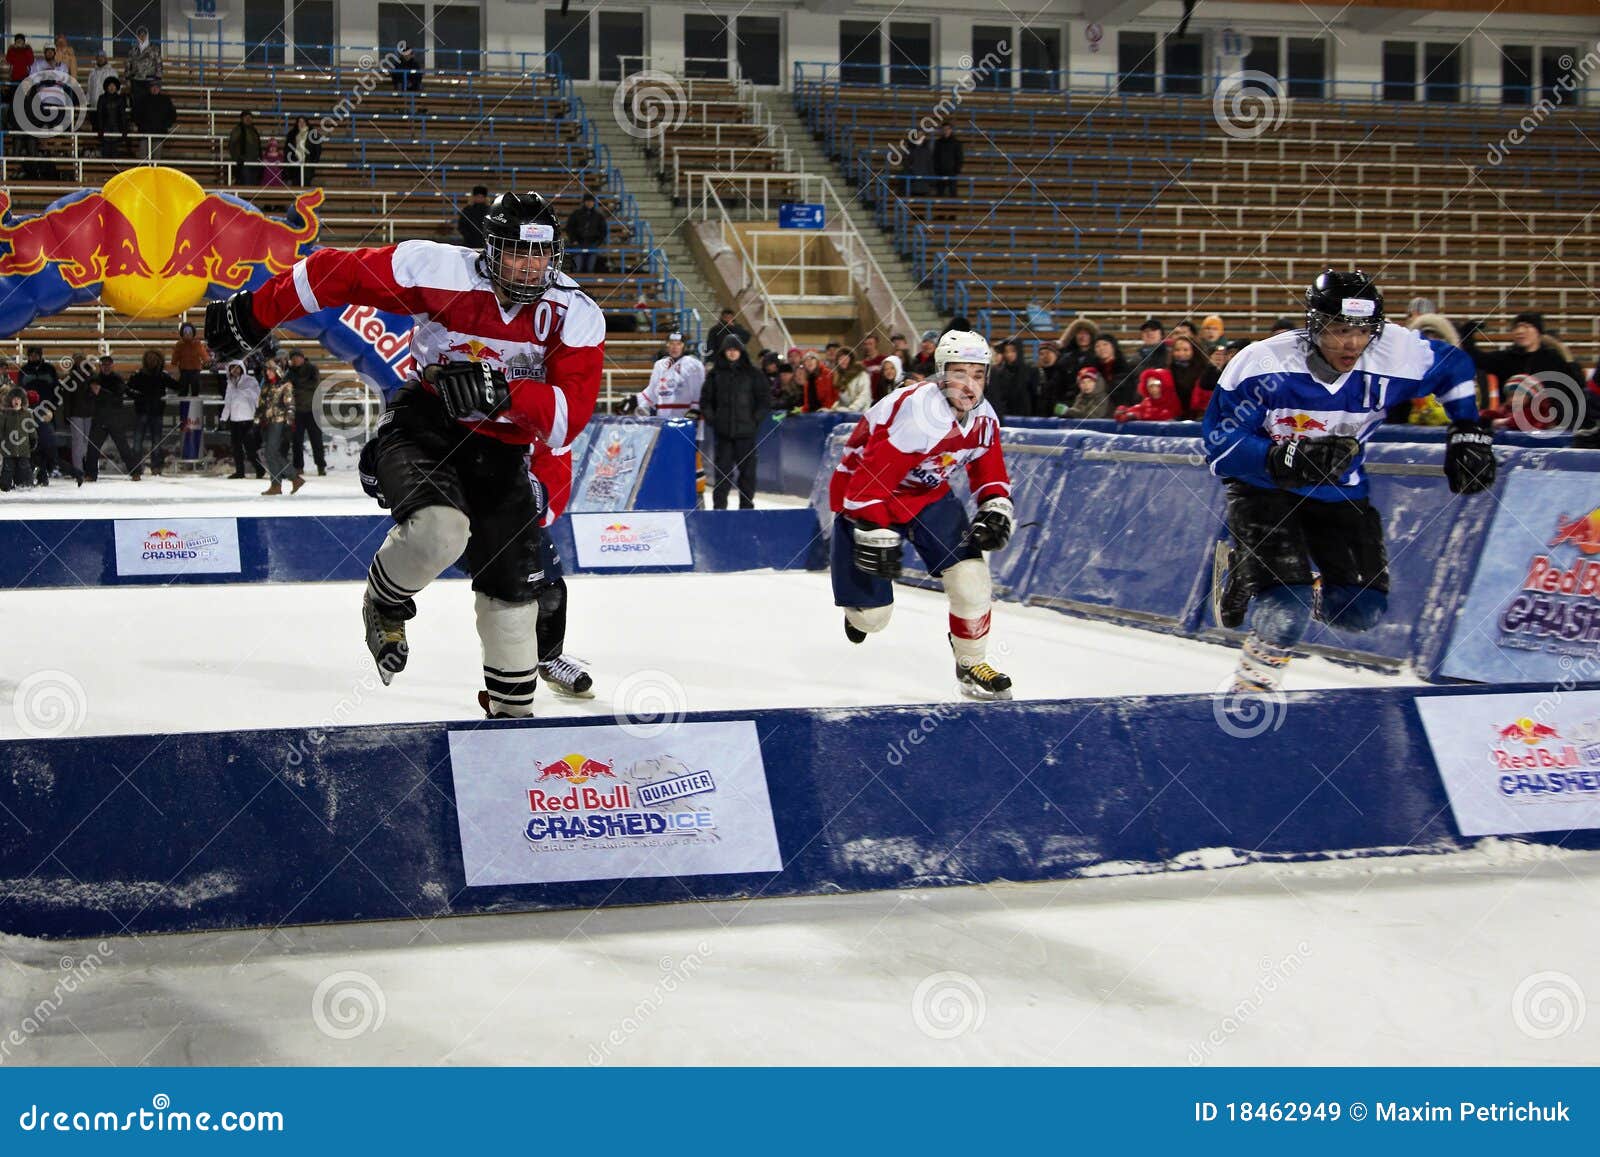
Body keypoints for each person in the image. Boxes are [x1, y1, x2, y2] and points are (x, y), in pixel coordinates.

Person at [206, 191, 606, 717]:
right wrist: (256, 311)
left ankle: (513, 719)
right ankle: (386, 600)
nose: (530, 268)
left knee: (515, 594)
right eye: (516, 252)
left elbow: (568, 420)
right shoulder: (437, 268)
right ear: (491, 249)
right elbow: (333, 271)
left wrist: (501, 391)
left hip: (505, 451)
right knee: (440, 531)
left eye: (539, 254)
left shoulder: (575, 313)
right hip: (427, 424)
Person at [1203, 270, 1497, 696]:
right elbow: (1218, 444)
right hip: (1264, 487)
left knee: (1361, 611)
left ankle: (1260, 576)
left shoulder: (1396, 352)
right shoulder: (1262, 363)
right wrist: (1286, 456)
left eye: (1363, 331)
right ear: (1316, 325)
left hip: (1339, 488)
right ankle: (1252, 689)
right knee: (1288, 608)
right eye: (1340, 330)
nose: (1352, 343)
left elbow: (1456, 365)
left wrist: (1468, 429)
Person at [829, 330, 1015, 700]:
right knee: (873, 618)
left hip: (927, 494)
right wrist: (871, 524)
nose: (969, 385)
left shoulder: (983, 418)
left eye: (978, 375)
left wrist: (995, 505)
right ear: (942, 374)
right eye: (960, 373)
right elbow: (869, 480)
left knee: (972, 581)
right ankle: (858, 614)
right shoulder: (919, 414)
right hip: (867, 494)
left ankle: (970, 661)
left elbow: (988, 470)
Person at [1465, 311, 1588, 432]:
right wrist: (1467, 334)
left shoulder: (1554, 359)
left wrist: (1566, 355)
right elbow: (1476, 359)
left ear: (1538, 332)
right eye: (1517, 327)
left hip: (1547, 426)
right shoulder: (1505, 358)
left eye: (1527, 326)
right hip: (1510, 425)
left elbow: (1577, 385)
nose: (1520, 331)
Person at [701, 334, 769, 510]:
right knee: (722, 475)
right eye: (728, 350)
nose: (732, 353)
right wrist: (713, 420)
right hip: (723, 435)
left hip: (746, 434)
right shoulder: (715, 375)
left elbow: (764, 401)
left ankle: (746, 509)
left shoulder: (754, 374)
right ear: (724, 352)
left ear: (741, 351)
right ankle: (719, 510)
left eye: (735, 349)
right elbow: (706, 401)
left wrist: (754, 421)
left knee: (747, 475)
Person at [84, 356, 141, 481]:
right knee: (93, 447)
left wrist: (100, 392)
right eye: (103, 364)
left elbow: (116, 397)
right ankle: (90, 474)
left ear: (112, 365)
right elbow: (88, 396)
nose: (106, 367)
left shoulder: (117, 379)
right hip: (99, 417)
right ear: (100, 366)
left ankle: (135, 472)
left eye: (108, 364)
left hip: (115, 418)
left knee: (123, 446)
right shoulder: (94, 379)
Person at [625, 331, 704, 417]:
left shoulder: (694, 365)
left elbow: (698, 391)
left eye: (678, 344)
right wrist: (634, 400)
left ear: (684, 346)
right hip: (662, 418)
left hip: (686, 417)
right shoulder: (660, 365)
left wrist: (695, 409)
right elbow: (652, 392)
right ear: (667, 345)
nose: (674, 347)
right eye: (671, 343)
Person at [126, 349, 176, 475]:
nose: (152, 361)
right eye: (149, 359)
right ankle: (136, 468)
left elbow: (177, 386)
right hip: (141, 412)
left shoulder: (163, 375)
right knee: (137, 442)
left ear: (159, 360)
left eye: (154, 359)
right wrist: (137, 396)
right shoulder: (138, 374)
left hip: (157, 412)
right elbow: (128, 389)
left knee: (156, 441)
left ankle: (156, 467)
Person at [256, 362, 299, 494]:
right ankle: (290, 479)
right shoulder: (266, 387)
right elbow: (261, 405)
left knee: (271, 452)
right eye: (267, 370)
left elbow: (290, 405)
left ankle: (281, 482)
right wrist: (256, 421)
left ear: (277, 371)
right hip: (268, 422)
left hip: (279, 422)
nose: (268, 373)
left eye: (270, 370)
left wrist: (288, 422)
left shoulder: (285, 385)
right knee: (272, 453)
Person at [284, 349, 326, 476]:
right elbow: (287, 388)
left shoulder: (312, 369)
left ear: (302, 357)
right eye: (293, 358)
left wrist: (296, 386)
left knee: (316, 440)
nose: (296, 360)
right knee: (297, 440)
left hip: (313, 410)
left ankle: (320, 466)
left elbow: (314, 385)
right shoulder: (290, 372)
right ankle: (298, 467)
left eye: (297, 357)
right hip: (297, 411)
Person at [220, 360, 263, 478]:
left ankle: (259, 468)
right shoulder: (229, 383)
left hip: (248, 419)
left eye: (237, 368)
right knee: (236, 448)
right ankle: (240, 472)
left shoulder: (251, 380)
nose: (234, 370)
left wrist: (244, 391)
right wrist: (223, 418)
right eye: (232, 368)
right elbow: (227, 403)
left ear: (242, 368)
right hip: (234, 420)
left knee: (250, 449)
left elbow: (257, 398)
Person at [988, 339, 1040, 419]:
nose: (1009, 354)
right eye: (1006, 351)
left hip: (1026, 417)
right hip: (1004, 417)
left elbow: (1034, 396)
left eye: (1013, 351)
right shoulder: (998, 373)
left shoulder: (1031, 371)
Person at [0, 387, 36, 491]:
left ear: (22, 400)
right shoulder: (4, 414)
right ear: (10, 400)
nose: (16, 401)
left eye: (19, 399)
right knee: (7, 472)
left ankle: (24, 483)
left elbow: (31, 430)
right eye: (14, 399)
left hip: (23, 449)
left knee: (25, 475)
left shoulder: (28, 413)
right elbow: (1, 431)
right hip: (8, 449)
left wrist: (33, 440)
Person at [1114, 367, 1182, 422]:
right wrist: (1123, 410)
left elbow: (1164, 415)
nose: (1154, 389)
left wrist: (1136, 415)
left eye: (1158, 386)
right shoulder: (1147, 402)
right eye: (1151, 386)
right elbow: (1138, 409)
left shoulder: (1173, 402)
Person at [130, 77, 176, 156]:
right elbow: (135, 113)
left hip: (159, 133)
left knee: (156, 158)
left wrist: (166, 125)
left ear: (159, 88)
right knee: (143, 157)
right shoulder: (142, 100)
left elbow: (172, 114)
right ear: (149, 88)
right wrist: (140, 124)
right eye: (153, 87)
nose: (155, 89)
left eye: (157, 87)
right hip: (144, 133)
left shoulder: (165, 100)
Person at [564, 193, 608, 274]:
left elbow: (603, 231)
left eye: (591, 201)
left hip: (593, 244)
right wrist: (573, 240)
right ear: (584, 202)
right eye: (588, 201)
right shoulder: (576, 214)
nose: (590, 203)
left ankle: (589, 286)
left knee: (590, 269)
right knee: (577, 268)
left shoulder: (599, 216)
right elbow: (569, 228)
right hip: (578, 244)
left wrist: (598, 242)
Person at [95, 77, 129, 159]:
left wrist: (124, 130)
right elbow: (99, 115)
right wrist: (100, 129)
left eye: (113, 86)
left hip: (117, 129)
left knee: (115, 154)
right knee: (105, 154)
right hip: (105, 129)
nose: (111, 87)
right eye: (110, 85)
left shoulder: (120, 99)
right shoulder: (102, 98)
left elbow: (123, 115)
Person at [125, 26, 160, 102]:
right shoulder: (132, 49)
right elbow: (128, 65)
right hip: (136, 80)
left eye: (144, 35)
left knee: (149, 103)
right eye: (140, 35)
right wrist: (127, 78)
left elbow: (158, 64)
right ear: (137, 36)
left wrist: (158, 80)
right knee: (136, 103)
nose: (142, 36)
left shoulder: (154, 48)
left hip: (150, 80)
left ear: (147, 36)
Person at [228, 110, 262, 185]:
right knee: (246, 183)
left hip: (255, 162)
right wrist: (238, 158)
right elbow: (232, 145)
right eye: (246, 117)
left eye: (250, 117)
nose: (248, 119)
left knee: (254, 184)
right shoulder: (238, 130)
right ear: (241, 119)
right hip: (244, 163)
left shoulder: (254, 130)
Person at [173, 321, 207, 396]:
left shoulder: (197, 344)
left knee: (195, 389)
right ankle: (183, 406)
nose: (187, 334)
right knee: (183, 390)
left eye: (189, 332)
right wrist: (174, 365)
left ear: (193, 333)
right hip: (184, 370)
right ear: (182, 333)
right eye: (185, 332)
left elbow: (203, 354)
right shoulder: (179, 345)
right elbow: (175, 357)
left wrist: (206, 360)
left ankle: (194, 405)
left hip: (195, 370)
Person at [284, 116, 320, 186]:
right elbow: (287, 150)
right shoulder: (291, 134)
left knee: (306, 188)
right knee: (295, 186)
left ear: (306, 123)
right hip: (295, 166)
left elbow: (317, 150)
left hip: (307, 166)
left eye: (303, 121)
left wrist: (313, 163)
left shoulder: (313, 135)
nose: (301, 123)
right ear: (297, 123)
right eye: (300, 121)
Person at [85, 53, 117, 131]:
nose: (100, 59)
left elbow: (116, 89)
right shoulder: (92, 73)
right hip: (94, 106)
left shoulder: (112, 72)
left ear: (106, 58)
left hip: (106, 106)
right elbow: (89, 89)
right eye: (98, 57)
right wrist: (87, 102)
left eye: (102, 57)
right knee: (95, 128)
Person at [931, 123, 963, 198]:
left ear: (951, 130)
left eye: (947, 129)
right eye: (944, 129)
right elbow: (935, 157)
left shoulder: (956, 143)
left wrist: (956, 169)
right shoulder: (938, 142)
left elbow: (959, 157)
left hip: (952, 171)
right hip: (940, 171)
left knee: (953, 192)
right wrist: (936, 169)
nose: (946, 131)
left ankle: (954, 208)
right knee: (940, 192)